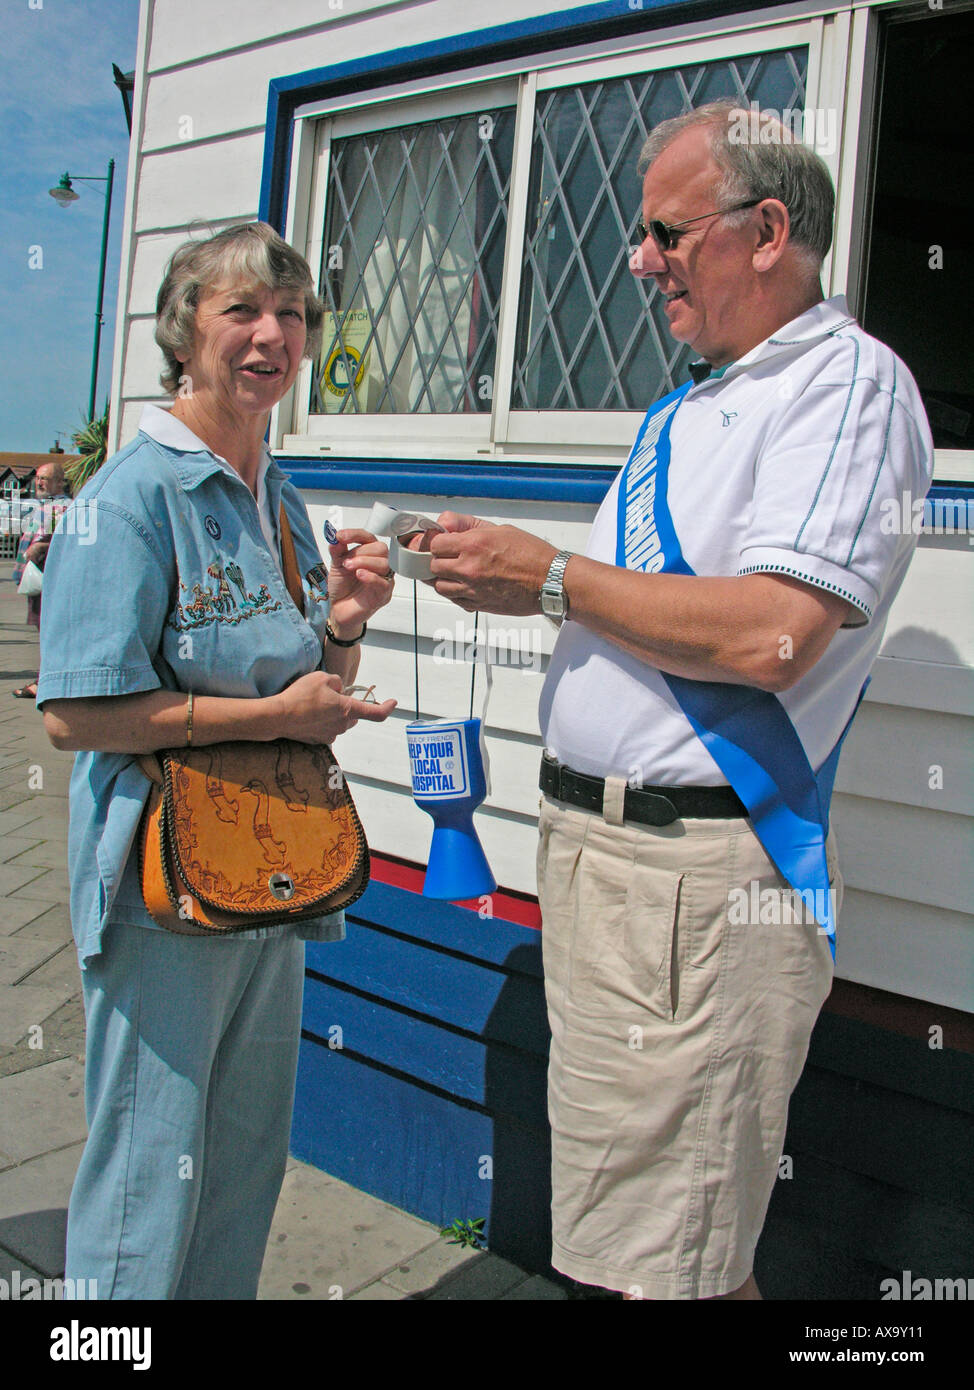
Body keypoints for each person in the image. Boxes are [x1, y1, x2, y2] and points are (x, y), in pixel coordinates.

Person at [417, 102, 933, 1299]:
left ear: (764, 232)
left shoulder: (844, 388)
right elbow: (639, 612)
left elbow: (769, 633)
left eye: (663, 229)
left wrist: (545, 573)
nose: (637, 258)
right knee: (632, 1245)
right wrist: (517, 587)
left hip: (692, 887)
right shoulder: (689, 405)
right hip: (611, 869)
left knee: (672, 1267)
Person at [36, 222, 397, 1300]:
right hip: (161, 880)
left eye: (290, 314)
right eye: (241, 310)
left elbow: (299, 691)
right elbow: (75, 717)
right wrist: (269, 718)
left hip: (269, 868)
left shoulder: (277, 498)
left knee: (243, 1158)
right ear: (182, 336)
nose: (271, 334)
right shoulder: (131, 499)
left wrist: (342, 625)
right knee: (148, 1170)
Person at [11, 459, 71, 699]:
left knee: (48, 632)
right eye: (38, 478)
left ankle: (43, 683)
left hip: (48, 579)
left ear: (59, 482)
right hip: (38, 578)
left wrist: (40, 547)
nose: (39, 482)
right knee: (44, 630)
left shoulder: (62, 507)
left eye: (45, 478)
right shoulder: (43, 506)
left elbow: (64, 538)